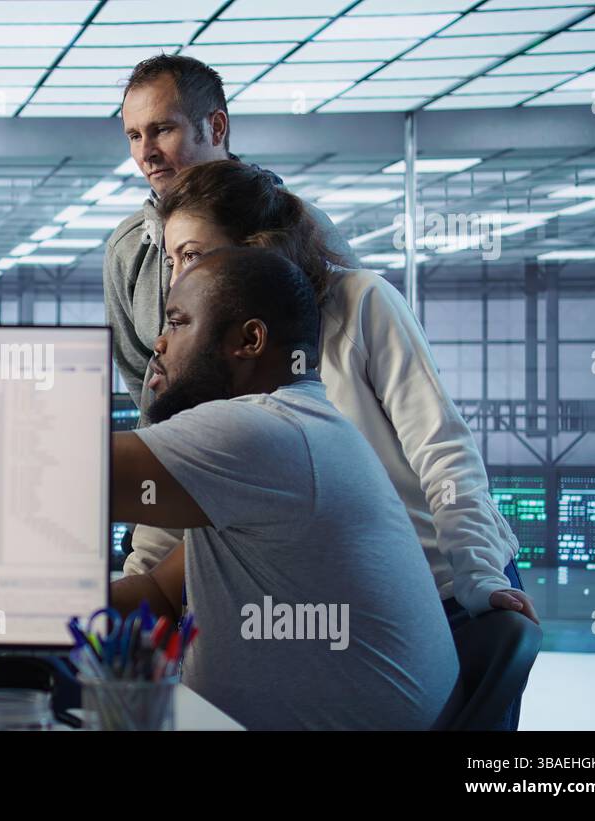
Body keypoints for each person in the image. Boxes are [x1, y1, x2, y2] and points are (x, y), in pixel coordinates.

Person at [127, 159, 538, 729]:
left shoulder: (361, 303)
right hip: (327, 595)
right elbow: (168, 495)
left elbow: (444, 454)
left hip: (441, 582)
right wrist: (127, 606)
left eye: (193, 256)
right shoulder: (217, 360)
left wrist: (478, 575)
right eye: (170, 261)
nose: (176, 279)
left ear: (254, 252)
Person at [109, 246, 458, 730]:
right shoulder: (301, 428)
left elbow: (68, 475)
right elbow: (162, 596)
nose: (159, 344)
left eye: (177, 322)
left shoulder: (262, 431)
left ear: (250, 339)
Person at [105, 53, 359, 407]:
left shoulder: (300, 225)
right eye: (134, 135)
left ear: (216, 127)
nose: (146, 152)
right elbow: (142, 380)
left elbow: (346, 352)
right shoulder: (128, 248)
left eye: (162, 130)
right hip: (180, 449)